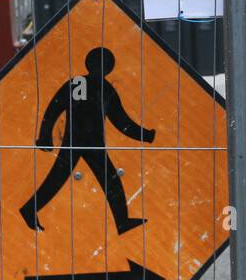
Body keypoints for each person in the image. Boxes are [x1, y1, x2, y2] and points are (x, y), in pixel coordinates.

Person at [19, 47, 156, 235]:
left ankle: (122, 221)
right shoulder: (89, 85)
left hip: (86, 143)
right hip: (82, 143)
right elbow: (55, 109)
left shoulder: (98, 88)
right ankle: (122, 222)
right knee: (70, 181)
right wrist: (45, 137)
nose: (103, 68)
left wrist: (145, 136)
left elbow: (121, 120)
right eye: (101, 64)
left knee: (106, 181)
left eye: (106, 65)